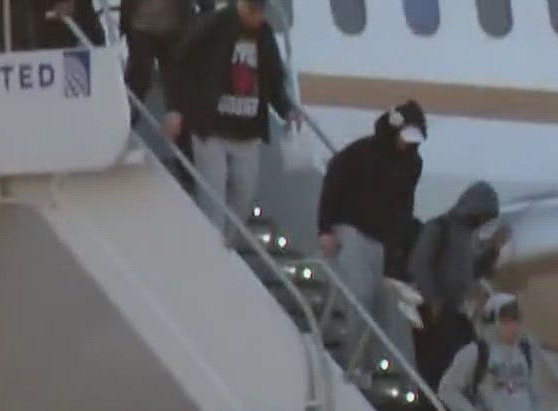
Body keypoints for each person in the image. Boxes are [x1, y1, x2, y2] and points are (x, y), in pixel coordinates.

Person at [162, 0, 300, 244]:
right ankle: (212, 249)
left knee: (244, 196)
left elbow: (273, 79)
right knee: (213, 199)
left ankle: (224, 247)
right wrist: (175, 109)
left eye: (260, 12)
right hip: (210, 127)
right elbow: (181, 65)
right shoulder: (212, 25)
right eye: (252, 10)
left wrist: (287, 109)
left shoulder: (264, 34)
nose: (256, 17)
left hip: (247, 128)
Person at [318, 101, 427, 371]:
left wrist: (401, 246)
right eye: (405, 137)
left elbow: (405, 206)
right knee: (360, 299)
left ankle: (365, 365)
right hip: (353, 230)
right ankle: (352, 365)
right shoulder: (362, 152)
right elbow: (333, 182)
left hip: (384, 242)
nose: (407, 144)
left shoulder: (413, 163)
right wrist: (325, 228)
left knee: (378, 307)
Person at [409, 182, 506, 411]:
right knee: (435, 371)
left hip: (458, 312)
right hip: (434, 312)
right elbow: (420, 265)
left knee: (461, 369)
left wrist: (493, 250)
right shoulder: (438, 228)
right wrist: (434, 300)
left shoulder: (467, 236)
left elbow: (473, 271)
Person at [121, 0, 198, 106]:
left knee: (177, 81)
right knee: (139, 79)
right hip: (143, 31)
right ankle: (130, 110)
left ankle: (180, 110)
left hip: (173, 31)